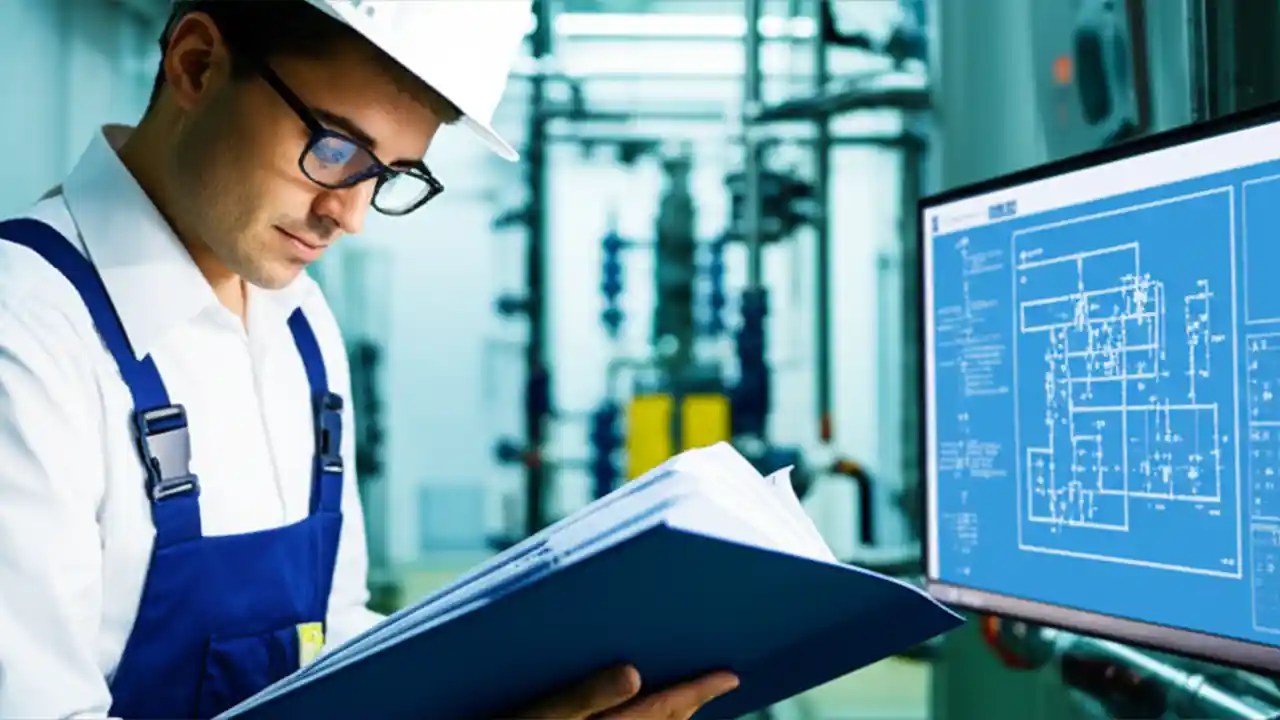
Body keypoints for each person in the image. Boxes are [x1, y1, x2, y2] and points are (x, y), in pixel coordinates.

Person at [0, 1, 739, 717]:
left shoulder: (301, 326)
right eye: (335, 151)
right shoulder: (28, 337)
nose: (349, 215)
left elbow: (330, 638)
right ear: (196, 66)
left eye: (388, 175)